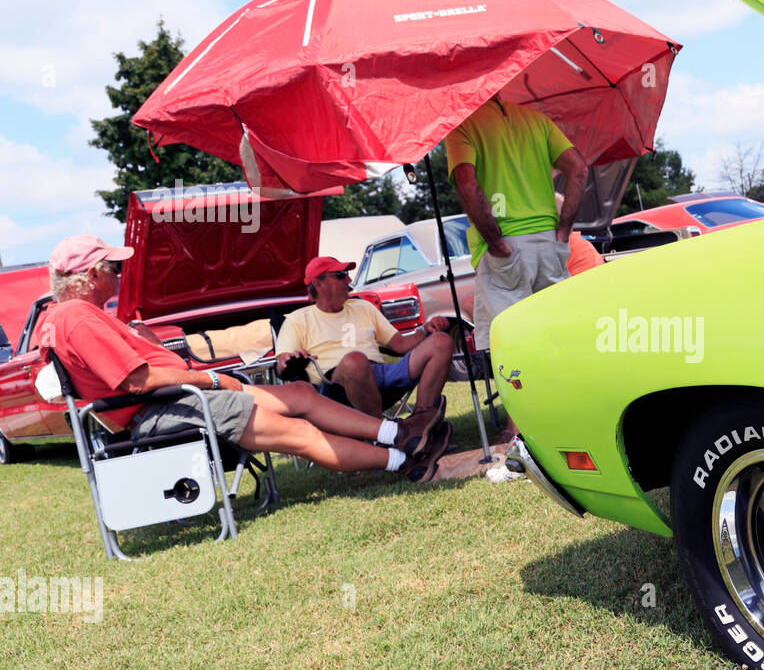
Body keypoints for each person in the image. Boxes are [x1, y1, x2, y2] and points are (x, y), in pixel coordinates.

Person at [41, 235, 451, 483]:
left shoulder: (71, 316)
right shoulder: (75, 316)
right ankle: (405, 459)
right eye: (113, 267)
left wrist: (155, 347)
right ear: (92, 275)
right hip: (166, 406)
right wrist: (215, 381)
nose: (119, 274)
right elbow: (136, 382)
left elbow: (140, 371)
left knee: (299, 392)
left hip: (175, 397)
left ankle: (396, 433)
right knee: (302, 434)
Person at [447, 95, 589, 345]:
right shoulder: (536, 119)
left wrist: (495, 243)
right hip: (549, 242)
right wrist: (563, 231)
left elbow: (466, 182)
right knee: (558, 335)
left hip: (505, 248)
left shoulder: (463, 124)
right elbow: (579, 168)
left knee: (512, 344)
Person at [276, 256, 453, 419]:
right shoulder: (298, 320)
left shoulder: (363, 307)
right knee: (355, 361)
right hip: (334, 388)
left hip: (380, 374)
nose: (349, 280)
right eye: (340, 275)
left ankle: (421, 425)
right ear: (319, 284)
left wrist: (425, 329)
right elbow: (283, 362)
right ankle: (383, 436)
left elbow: (399, 344)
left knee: (441, 342)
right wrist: (290, 361)